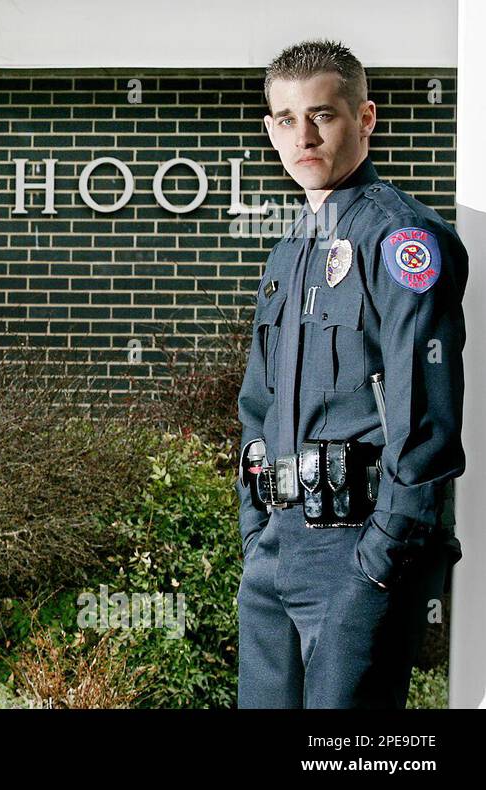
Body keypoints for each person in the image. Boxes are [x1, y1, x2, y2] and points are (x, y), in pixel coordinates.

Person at [235, 39, 467, 708]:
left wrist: (381, 560)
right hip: (276, 552)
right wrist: (257, 535)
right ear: (270, 129)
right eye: (285, 118)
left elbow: (425, 421)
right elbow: (256, 409)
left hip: (357, 556)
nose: (302, 135)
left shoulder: (401, 241)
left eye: (323, 115)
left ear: (365, 118)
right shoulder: (288, 253)